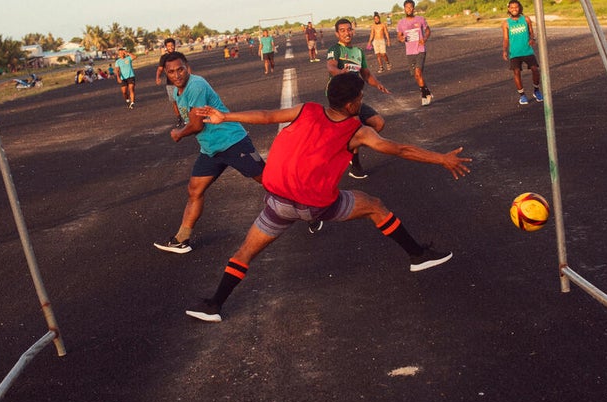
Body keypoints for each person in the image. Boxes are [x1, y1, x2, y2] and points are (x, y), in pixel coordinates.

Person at [183, 72, 471, 323]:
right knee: (374, 206)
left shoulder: (306, 109)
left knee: (244, 252)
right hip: (312, 205)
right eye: (359, 97)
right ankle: (417, 254)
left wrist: (225, 116)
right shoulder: (358, 131)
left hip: (278, 202)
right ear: (352, 104)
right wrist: (441, 159)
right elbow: (399, 149)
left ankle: (214, 304)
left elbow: (267, 116)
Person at [153, 51, 265, 254]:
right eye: (171, 72)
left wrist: (178, 133)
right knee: (194, 190)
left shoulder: (196, 85)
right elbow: (187, 115)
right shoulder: (175, 90)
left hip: (232, 142)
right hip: (211, 149)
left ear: (187, 67)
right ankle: (182, 239)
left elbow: (196, 125)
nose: (177, 75)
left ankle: (310, 209)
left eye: (180, 69)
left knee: (269, 181)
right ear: (166, 74)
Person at [325, 18, 389, 179]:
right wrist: (340, 73)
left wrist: (378, 84)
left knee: (378, 123)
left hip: (355, 100)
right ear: (337, 33)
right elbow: (331, 66)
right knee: (355, 128)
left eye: (349, 29)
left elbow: (366, 74)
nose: (347, 33)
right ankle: (355, 164)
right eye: (343, 30)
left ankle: (346, 148)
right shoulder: (335, 49)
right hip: (341, 99)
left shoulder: (358, 52)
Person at [502, 0, 542, 105]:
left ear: (519, 8)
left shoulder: (526, 19)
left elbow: (531, 32)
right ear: (509, 9)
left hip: (527, 51)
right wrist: (504, 50)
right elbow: (506, 39)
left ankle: (536, 91)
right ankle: (522, 95)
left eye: (516, 7)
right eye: (512, 7)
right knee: (516, 72)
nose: (514, 9)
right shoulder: (506, 23)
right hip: (514, 52)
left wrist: (532, 39)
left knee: (535, 69)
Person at [396, 0, 434, 105]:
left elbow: (427, 30)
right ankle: (427, 92)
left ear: (414, 8)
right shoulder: (401, 23)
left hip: (420, 50)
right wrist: (402, 39)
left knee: (418, 72)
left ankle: (423, 96)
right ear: (404, 9)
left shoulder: (420, 19)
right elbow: (399, 36)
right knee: (416, 76)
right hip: (410, 52)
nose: (409, 9)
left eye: (411, 7)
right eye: (407, 7)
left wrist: (425, 38)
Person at [156, 38, 184, 127]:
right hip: (170, 83)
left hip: (182, 81)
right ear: (166, 47)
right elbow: (160, 69)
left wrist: (190, 77)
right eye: (168, 46)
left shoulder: (180, 55)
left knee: (183, 100)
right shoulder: (164, 57)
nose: (171, 47)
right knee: (174, 101)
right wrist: (157, 77)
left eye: (172, 45)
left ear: (175, 45)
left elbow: (186, 66)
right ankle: (179, 118)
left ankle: (186, 117)